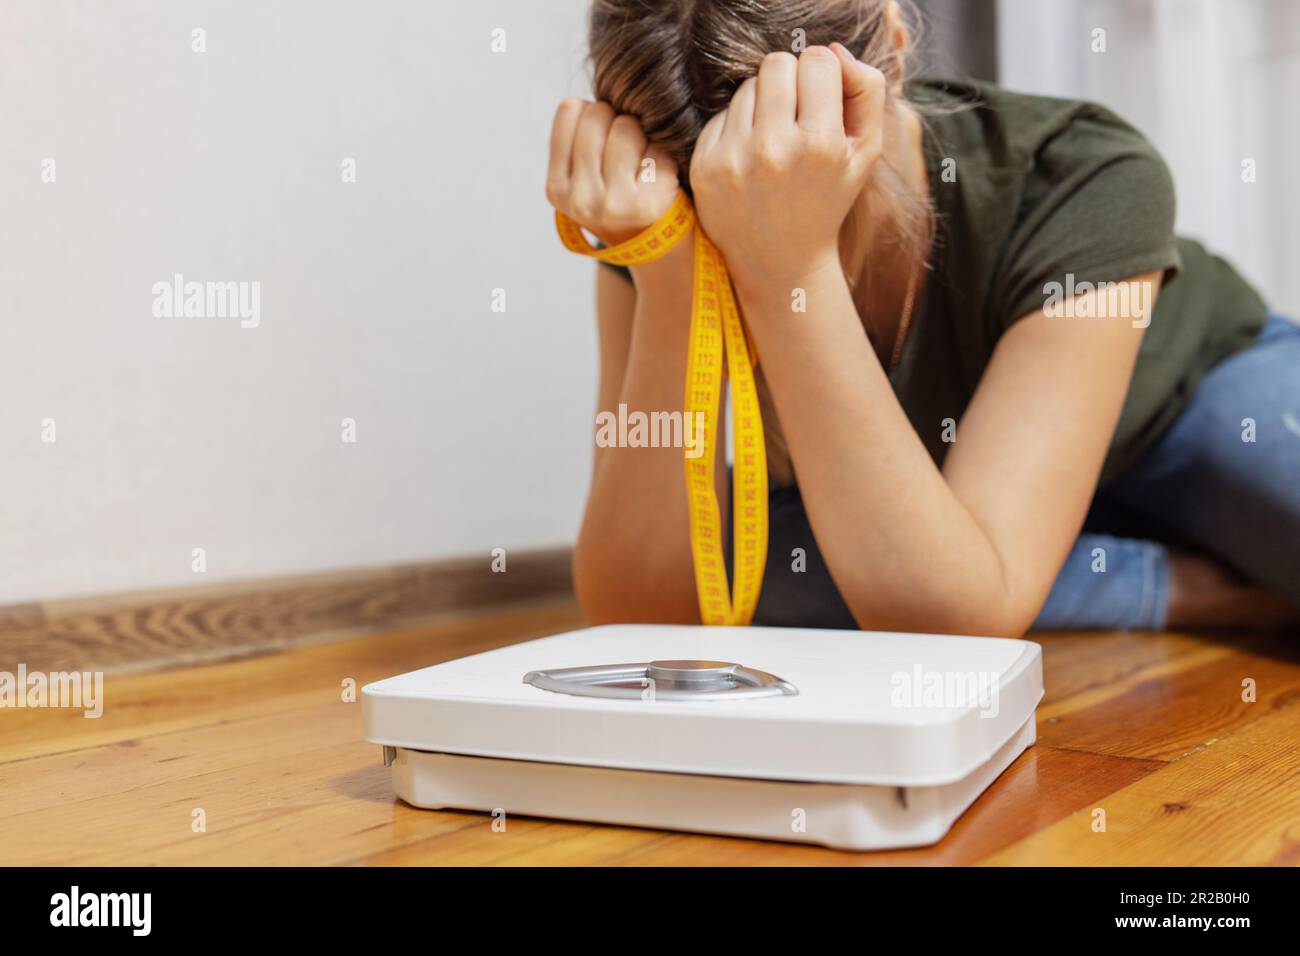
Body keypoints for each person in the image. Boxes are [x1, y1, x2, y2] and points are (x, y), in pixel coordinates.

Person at [546, 0, 1300, 635]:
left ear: (895, 47)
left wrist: (790, 267)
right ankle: (1181, 579)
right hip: (936, 496)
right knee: (772, 575)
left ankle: (1034, 553)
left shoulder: (1080, 171)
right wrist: (671, 278)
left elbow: (949, 617)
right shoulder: (657, 212)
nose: (724, 210)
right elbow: (636, 610)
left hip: (1185, 401)